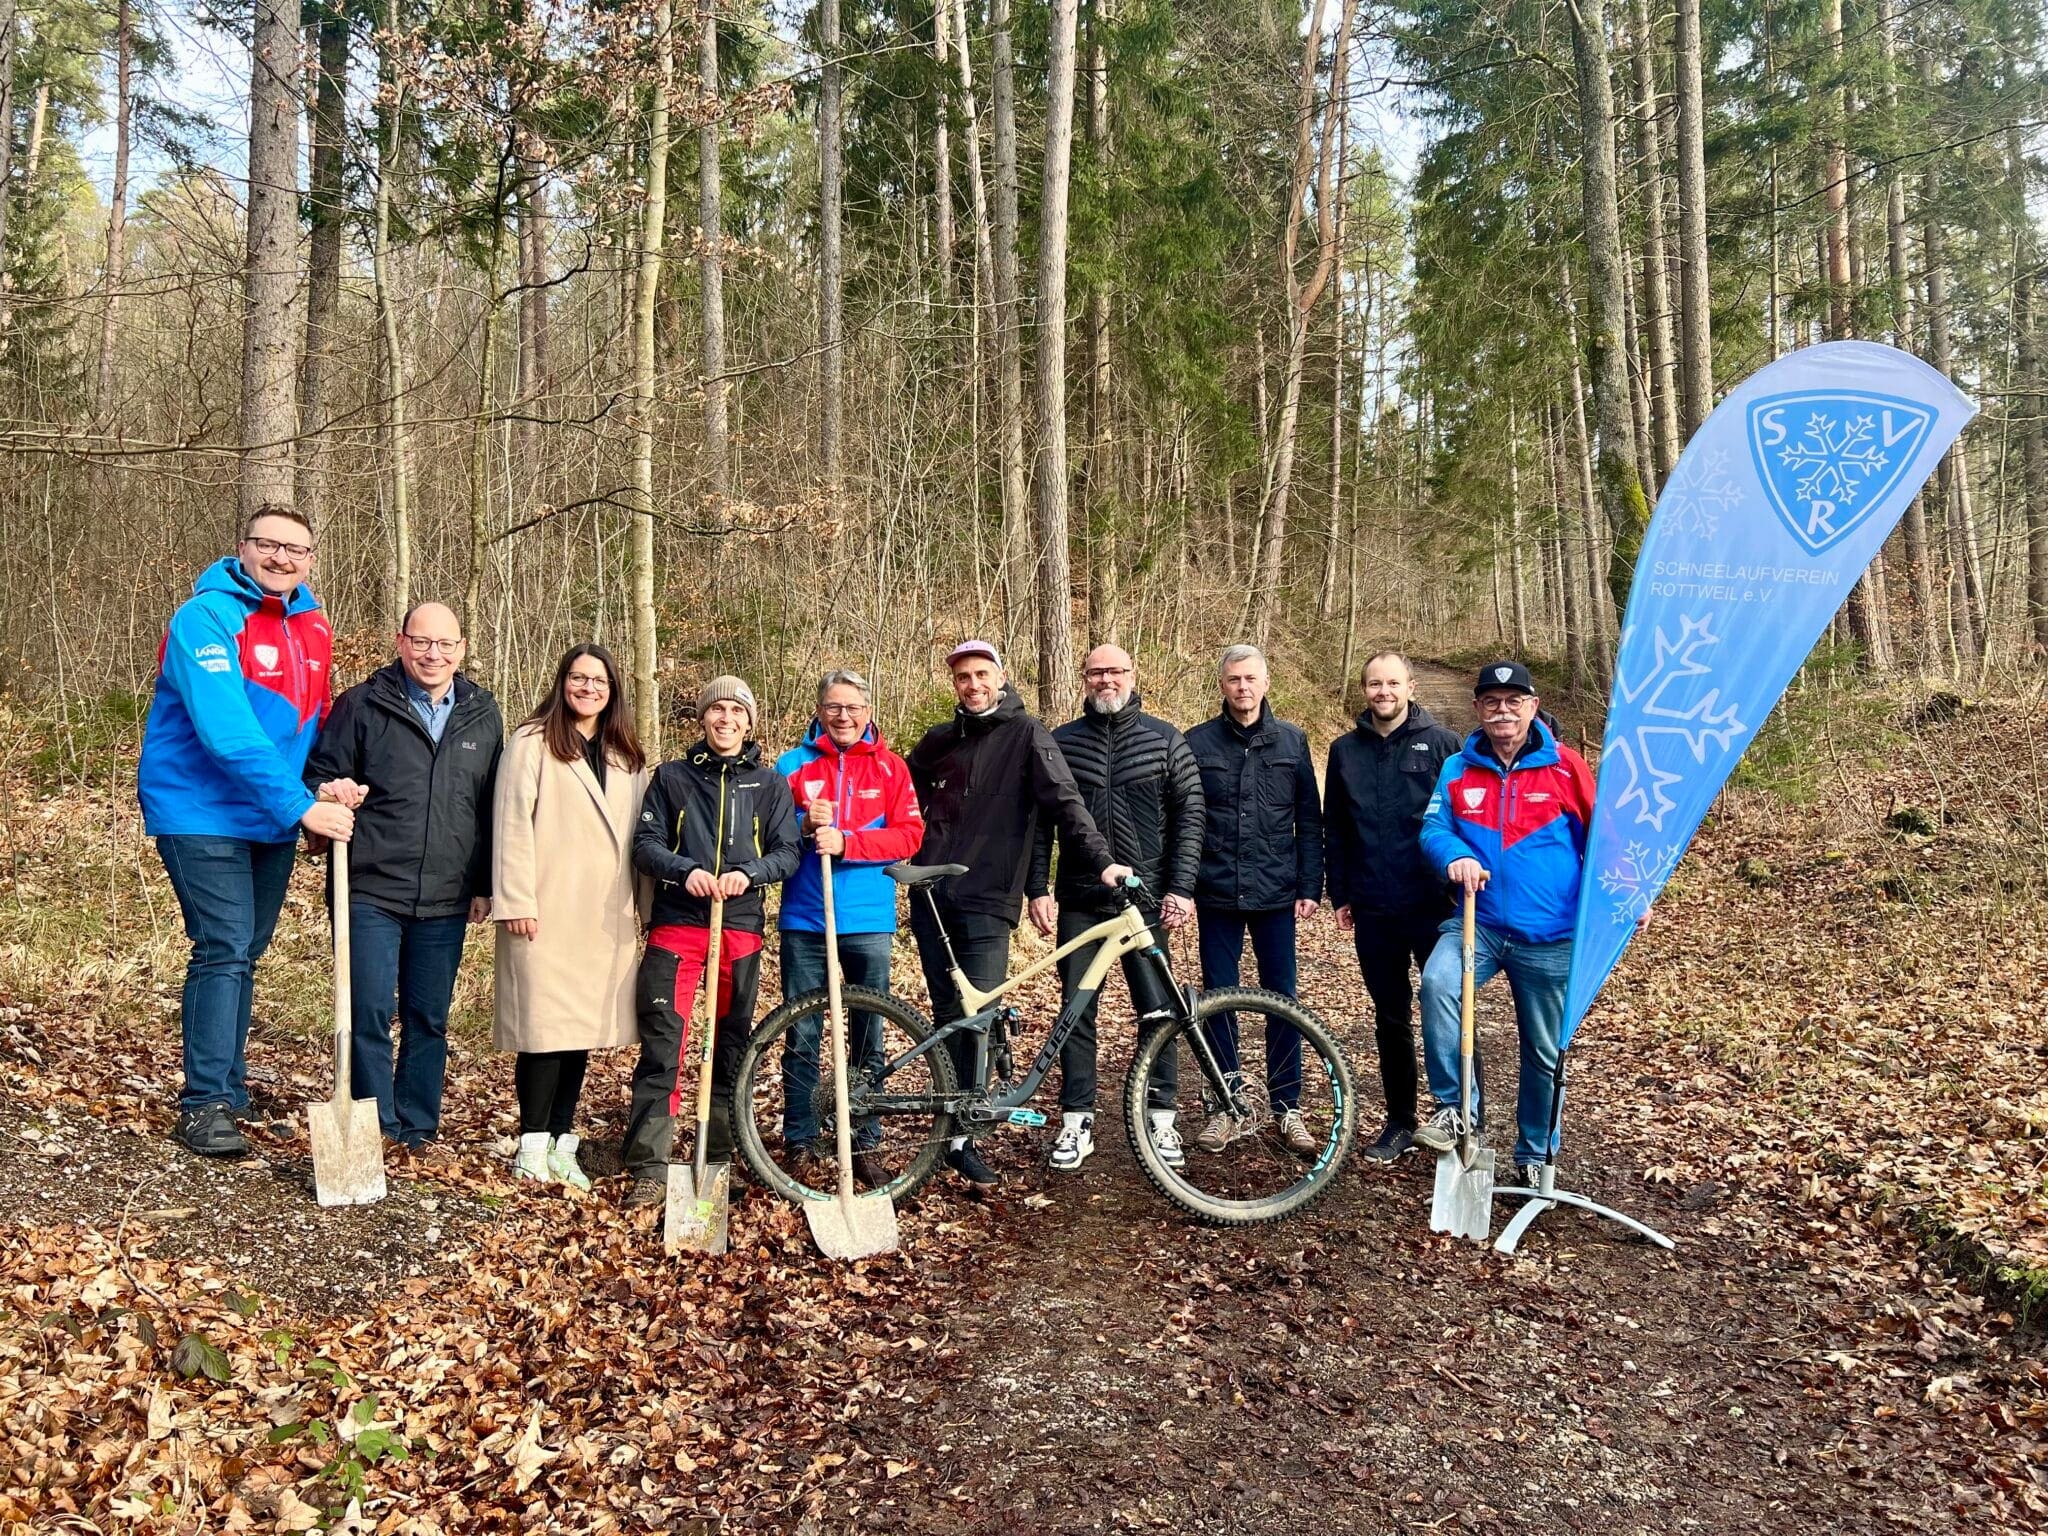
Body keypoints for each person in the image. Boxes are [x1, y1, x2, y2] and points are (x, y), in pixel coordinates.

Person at [140, 505, 356, 1158]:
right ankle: (203, 1104)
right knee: (224, 945)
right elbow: (226, 730)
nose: (282, 558)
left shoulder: (314, 625)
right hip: (199, 809)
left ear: (311, 560)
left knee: (246, 950)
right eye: (269, 545)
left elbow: (311, 721)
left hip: (269, 817)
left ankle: (229, 1088)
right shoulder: (204, 618)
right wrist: (300, 807)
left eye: (296, 549)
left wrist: (321, 787)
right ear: (243, 548)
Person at [904, 641, 1132, 1187]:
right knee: (944, 1019)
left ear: (1000, 678)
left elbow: (1065, 804)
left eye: (982, 674)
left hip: (989, 898)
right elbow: (898, 801)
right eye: (963, 677)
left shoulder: (1029, 735)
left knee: (977, 1018)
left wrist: (1102, 861)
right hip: (931, 896)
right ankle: (947, 1130)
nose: (973, 684)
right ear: (954, 683)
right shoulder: (937, 741)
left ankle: (963, 1139)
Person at [302, 602, 502, 1152]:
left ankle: (414, 1125)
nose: (432, 653)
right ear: (401, 642)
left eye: (445, 644)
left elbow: (488, 808)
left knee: (428, 1016)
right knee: (367, 1010)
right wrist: (332, 789)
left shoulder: (483, 714)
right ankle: (373, 1123)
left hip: (447, 893)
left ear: (461, 649)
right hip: (370, 886)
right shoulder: (362, 705)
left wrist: (484, 882)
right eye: (421, 642)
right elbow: (318, 774)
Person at [1414, 659, 1597, 1182]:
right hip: (1481, 923)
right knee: (1439, 982)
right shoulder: (1458, 768)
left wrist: (1624, 897)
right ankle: (1456, 1111)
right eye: (1492, 702)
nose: (1503, 710)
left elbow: (1601, 844)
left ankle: (1535, 1156)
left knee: (1543, 1050)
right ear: (1478, 709)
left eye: (1514, 701)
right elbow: (1433, 829)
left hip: (1550, 936)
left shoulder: (1566, 766)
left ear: (1533, 707)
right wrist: (1454, 855)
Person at [622, 676, 801, 1209]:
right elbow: (645, 843)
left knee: (730, 1045)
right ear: (701, 719)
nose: (725, 719)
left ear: (749, 721)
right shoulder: (673, 778)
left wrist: (751, 872)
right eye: (716, 710)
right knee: (665, 1043)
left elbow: (787, 851)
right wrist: (685, 871)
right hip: (679, 924)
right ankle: (650, 1164)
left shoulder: (769, 784)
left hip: (740, 926)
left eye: (736, 711)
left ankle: (718, 1158)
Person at [1025, 645, 1203, 1173]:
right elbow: (1040, 823)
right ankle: (1077, 1120)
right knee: (1076, 1012)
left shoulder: (1166, 739)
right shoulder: (1060, 743)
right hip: (1080, 898)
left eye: (1115, 671)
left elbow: (1190, 818)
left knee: (1159, 1009)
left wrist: (1181, 888)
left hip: (1144, 903)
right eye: (1096, 672)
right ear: (1084, 679)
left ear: (1133, 675)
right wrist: (1038, 887)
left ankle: (1162, 1120)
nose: (1106, 680)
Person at [492, 644, 649, 1191]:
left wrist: (644, 910)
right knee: (543, 1032)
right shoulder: (532, 742)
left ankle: (562, 1141)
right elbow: (511, 823)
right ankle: (531, 1143)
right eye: (578, 678)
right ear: (561, 683)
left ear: (613, 690)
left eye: (599, 680)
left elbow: (640, 841)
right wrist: (515, 899)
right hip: (544, 909)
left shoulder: (626, 755)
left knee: (577, 1032)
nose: (588, 688)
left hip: (603, 915)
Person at [775, 668, 925, 1188]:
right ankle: (801, 1137)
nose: (844, 717)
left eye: (853, 707)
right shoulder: (792, 766)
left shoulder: (890, 769)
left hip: (867, 920)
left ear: (868, 711)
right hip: (805, 917)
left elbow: (908, 839)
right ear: (820, 710)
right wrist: (801, 825)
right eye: (834, 707)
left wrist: (848, 843)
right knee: (802, 1032)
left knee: (869, 1032)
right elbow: (767, 839)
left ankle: (865, 1139)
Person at [1184, 644, 1324, 1157]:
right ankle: (1228, 1104)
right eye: (1234, 679)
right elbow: (1186, 821)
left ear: (1266, 683)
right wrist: (1184, 886)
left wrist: (1312, 886)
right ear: (1222, 685)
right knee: (1218, 999)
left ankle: (1288, 1106)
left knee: (1282, 1000)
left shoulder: (1292, 740)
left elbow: (1309, 819)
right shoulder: (1197, 743)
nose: (1243, 687)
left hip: (1275, 893)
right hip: (1216, 891)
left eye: (1251, 679)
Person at [1323, 651, 1462, 1162]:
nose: (1383, 692)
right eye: (1374, 684)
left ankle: (1465, 1118)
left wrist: (1457, 886)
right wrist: (1340, 894)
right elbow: (1334, 827)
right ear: (1364, 690)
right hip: (1373, 908)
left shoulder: (1446, 745)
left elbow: (1462, 822)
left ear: (1410, 686)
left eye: (1392, 683)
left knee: (1447, 1010)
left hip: (1433, 905)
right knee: (1391, 1017)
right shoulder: (1345, 751)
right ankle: (1400, 1121)